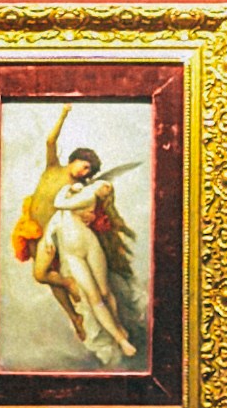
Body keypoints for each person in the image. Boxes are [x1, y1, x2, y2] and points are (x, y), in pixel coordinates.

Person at [34, 144, 144, 363]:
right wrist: (48, 237)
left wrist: (70, 192)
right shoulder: (74, 186)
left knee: (104, 291)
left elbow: (60, 204)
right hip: (72, 253)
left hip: (88, 244)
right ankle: (120, 339)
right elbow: (57, 216)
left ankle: (117, 327)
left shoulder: (87, 195)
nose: (104, 187)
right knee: (94, 297)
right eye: (85, 167)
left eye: (89, 171)